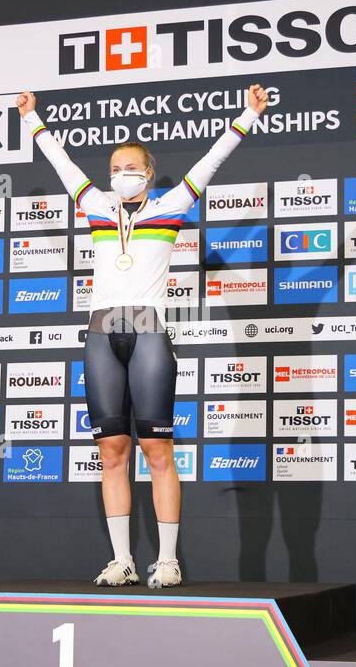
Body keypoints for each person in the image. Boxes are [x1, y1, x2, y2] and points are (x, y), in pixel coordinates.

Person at [18, 84, 269, 588]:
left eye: (130, 168)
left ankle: (169, 560)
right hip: (100, 331)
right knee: (112, 451)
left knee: (158, 451)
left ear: (148, 174)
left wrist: (248, 113)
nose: (120, 175)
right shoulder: (94, 205)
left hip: (150, 329)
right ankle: (122, 560)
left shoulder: (172, 205)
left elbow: (212, 160)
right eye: (114, 168)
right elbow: (61, 161)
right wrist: (30, 118)